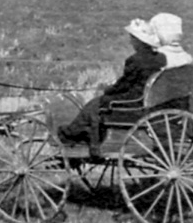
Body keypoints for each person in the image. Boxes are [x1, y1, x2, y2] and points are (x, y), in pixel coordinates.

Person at [57, 18, 167, 156]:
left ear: (138, 41)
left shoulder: (135, 60)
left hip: (132, 100)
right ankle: (84, 133)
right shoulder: (160, 58)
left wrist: (108, 89)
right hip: (145, 97)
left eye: (132, 38)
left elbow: (124, 84)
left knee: (95, 104)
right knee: (98, 103)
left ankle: (72, 134)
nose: (130, 41)